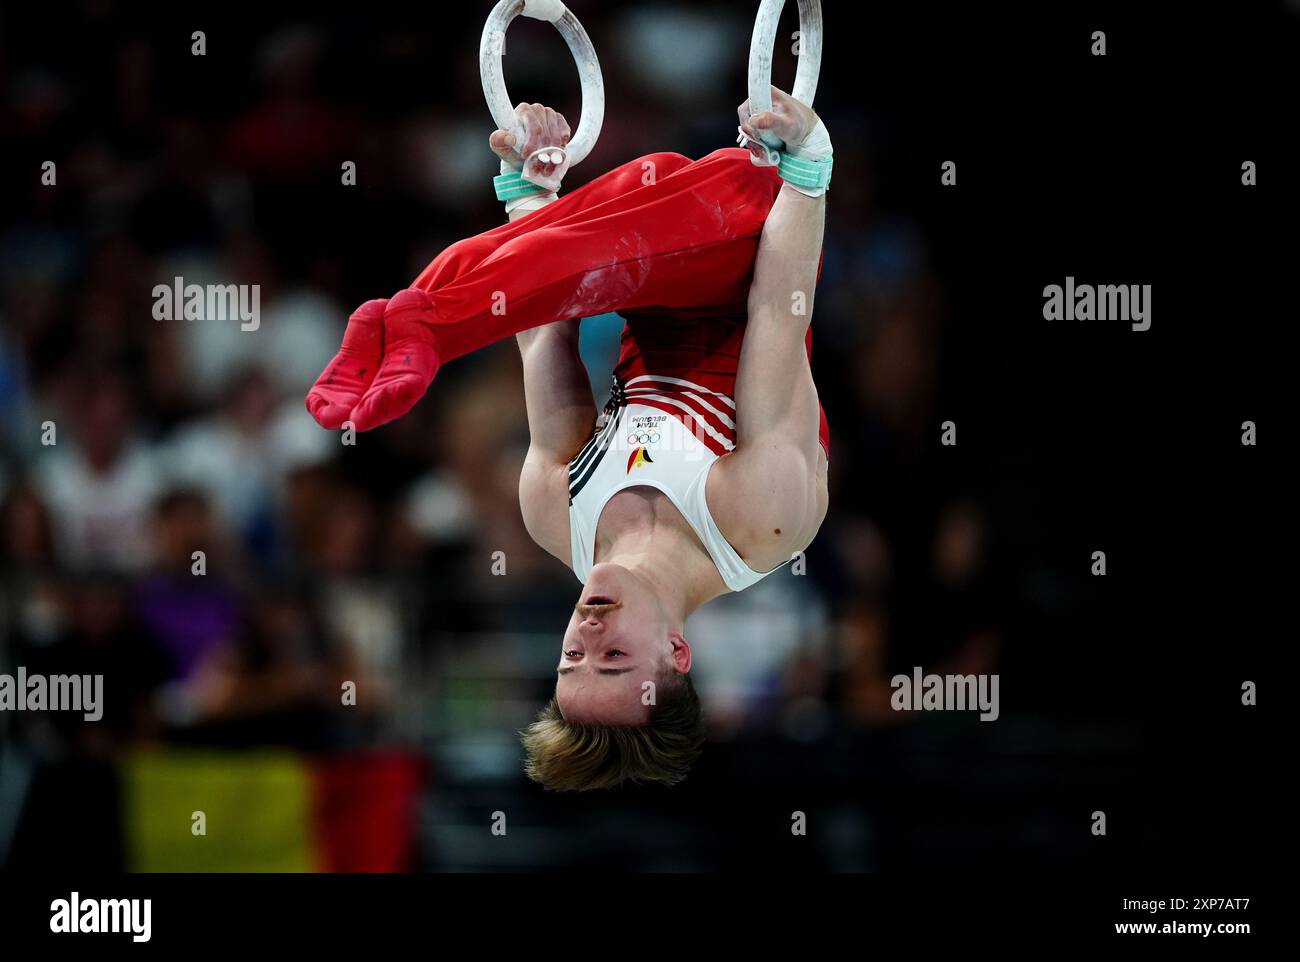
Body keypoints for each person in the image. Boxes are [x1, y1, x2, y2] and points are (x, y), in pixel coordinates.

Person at [306, 87, 834, 790]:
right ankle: (421, 323)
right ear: (677, 652)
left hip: (634, 263)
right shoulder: (762, 519)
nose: (586, 638)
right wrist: (808, 168)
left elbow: (543, 330)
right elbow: (778, 311)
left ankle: (419, 319)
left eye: (570, 662)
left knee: (618, 219)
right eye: (614, 659)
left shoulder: (557, 516)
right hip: (747, 246)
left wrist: (530, 188)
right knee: (650, 214)